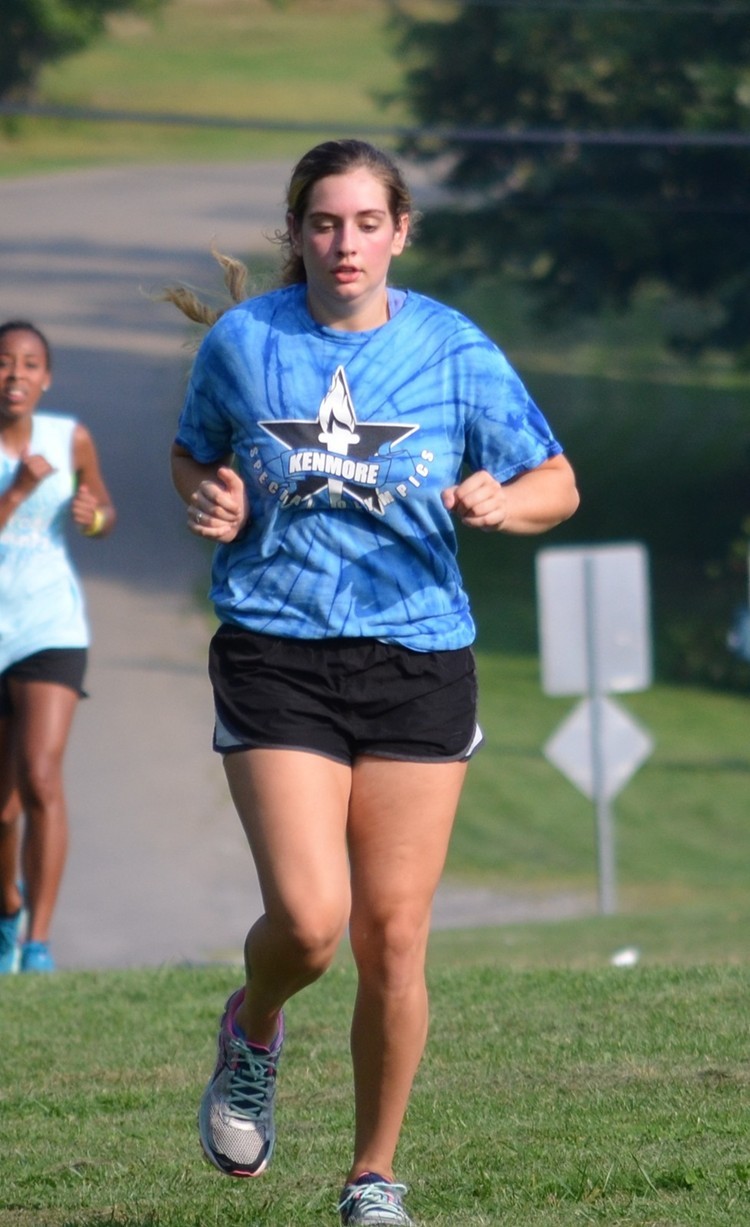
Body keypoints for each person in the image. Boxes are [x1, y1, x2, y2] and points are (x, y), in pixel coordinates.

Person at [168, 139, 579, 1226]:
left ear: (400, 232)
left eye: (364, 223)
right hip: (277, 648)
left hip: (419, 655)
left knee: (392, 935)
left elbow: (558, 482)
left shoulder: (452, 349)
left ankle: (372, 1176)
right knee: (309, 922)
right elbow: (195, 452)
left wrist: (506, 504)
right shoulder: (244, 341)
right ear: (296, 231)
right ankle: (253, 1029)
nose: (342, 244)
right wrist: (209, 498)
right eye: (321, 223)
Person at [0, 320, 116, 974]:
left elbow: (102, 512)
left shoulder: (68, 437)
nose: (15, 374)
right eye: (3, 363)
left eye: (29, 364)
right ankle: (7, 907)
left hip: (50, 627)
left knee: (41, 776)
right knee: (2, 807)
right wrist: (18, 489)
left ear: (46, 378)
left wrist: (93, 516)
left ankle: (38, 943)